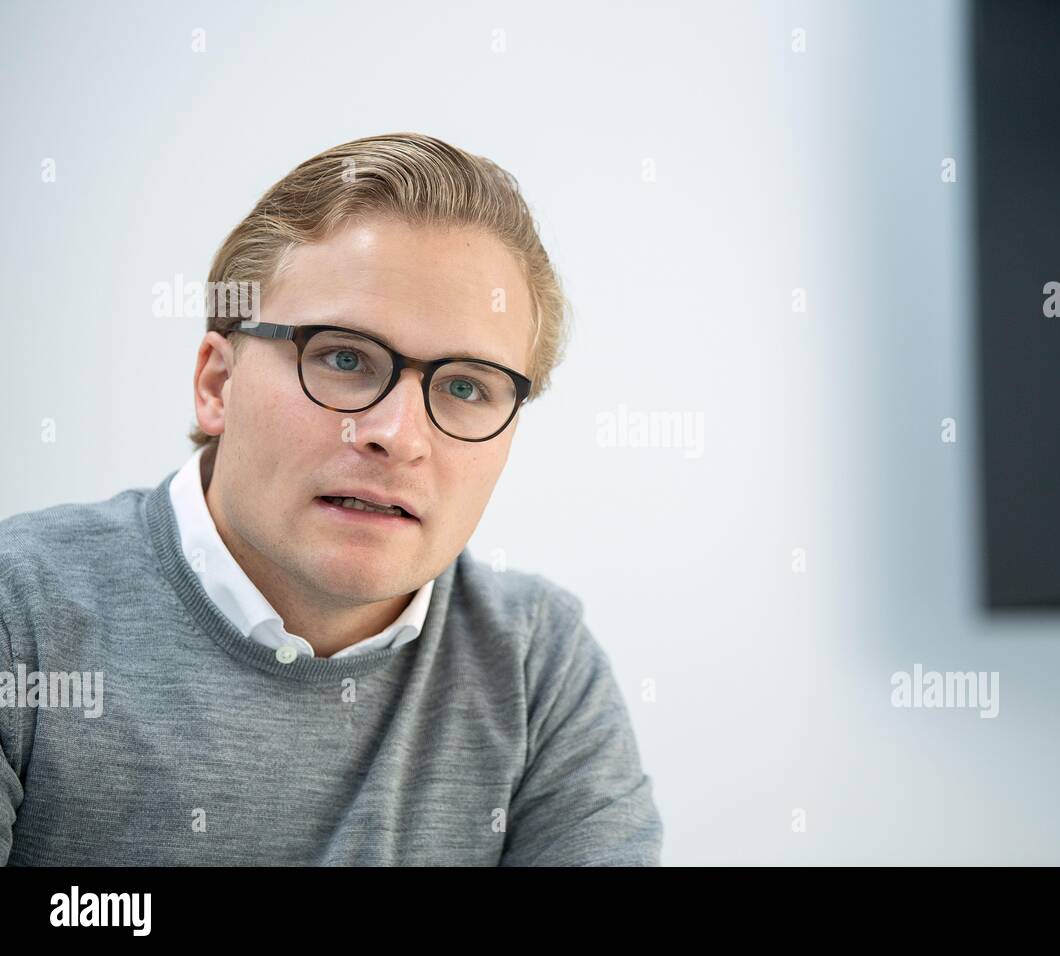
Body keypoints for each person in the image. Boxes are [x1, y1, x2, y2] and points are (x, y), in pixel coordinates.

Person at [0, 133, 662, 865]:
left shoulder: (539, 665)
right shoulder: (20, 617)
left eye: (467, 387)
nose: (397, 435)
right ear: (218, 385)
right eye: (344, 358)